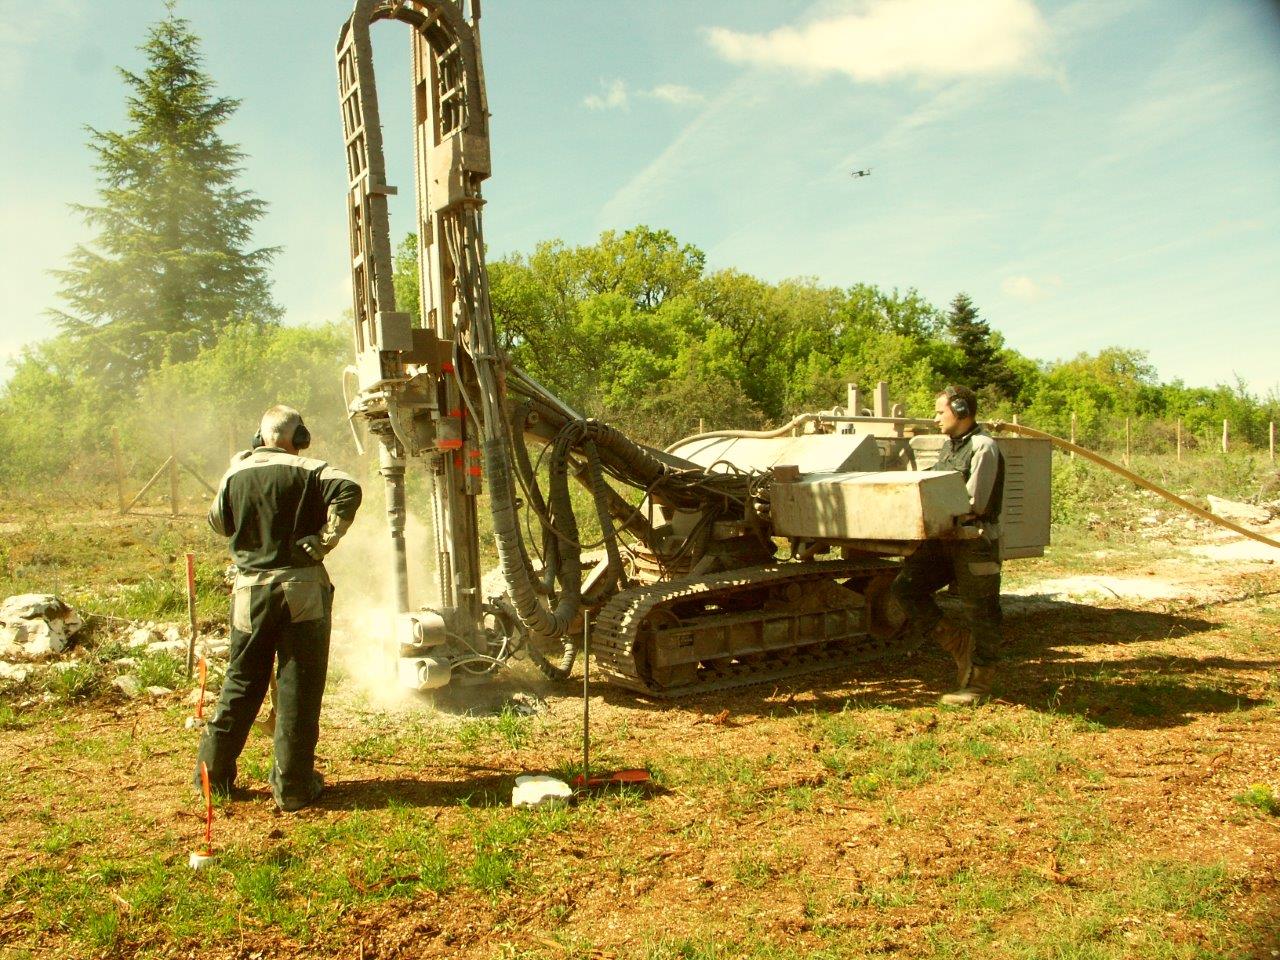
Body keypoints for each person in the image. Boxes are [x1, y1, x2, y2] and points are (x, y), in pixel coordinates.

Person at [194, 405, 362, 811]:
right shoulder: (314, 470)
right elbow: (350, 488)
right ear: (299, 436)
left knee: (241, 682)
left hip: (250, 592)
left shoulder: (235, 472)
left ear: (259, 437)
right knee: (298, 688)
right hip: (302, 590)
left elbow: (218, 523)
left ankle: (211, 779)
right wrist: (326, 538)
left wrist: (236, 481)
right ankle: (292, 788)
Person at [891, 385, 1005, 706]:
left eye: (941, 411)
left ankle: (979, 684)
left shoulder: (984, 447)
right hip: (945, 539)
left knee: (981, 611)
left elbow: (974, 502)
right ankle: (957, 642)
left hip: (974, 540)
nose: (936, 417)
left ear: (961, 411)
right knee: (906, 589)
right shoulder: (950, 447)